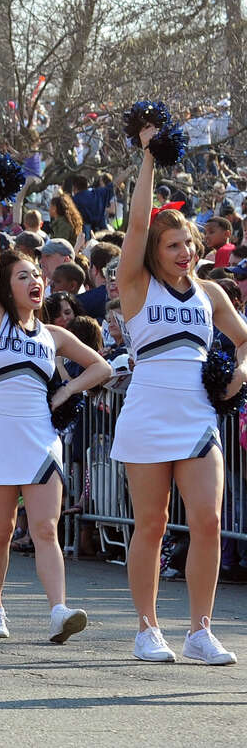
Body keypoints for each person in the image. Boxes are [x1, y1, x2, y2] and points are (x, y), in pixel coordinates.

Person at [110, 122, 247, 664]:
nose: (185, 251)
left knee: (208, 521)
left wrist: (239, 374)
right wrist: (149, 159)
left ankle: (200, 629)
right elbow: (139, 221)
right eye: (173, 245)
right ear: (154, 250)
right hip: (147, 410)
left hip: (196, 413)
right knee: (153, 523)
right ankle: (147, 628)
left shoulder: (211, 293)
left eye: (188, 242)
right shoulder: (136, 285)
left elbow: (243, 341)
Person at [0, 165, 111, 642]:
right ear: (8, 287)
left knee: (45, 528)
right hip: (0, 431)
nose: (34, 281)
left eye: (36, 275)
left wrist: (65, 392)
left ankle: (58, 610)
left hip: (41, 436)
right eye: (23, 275)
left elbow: (102, 368)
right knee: (1, 530)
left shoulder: (54, 333)